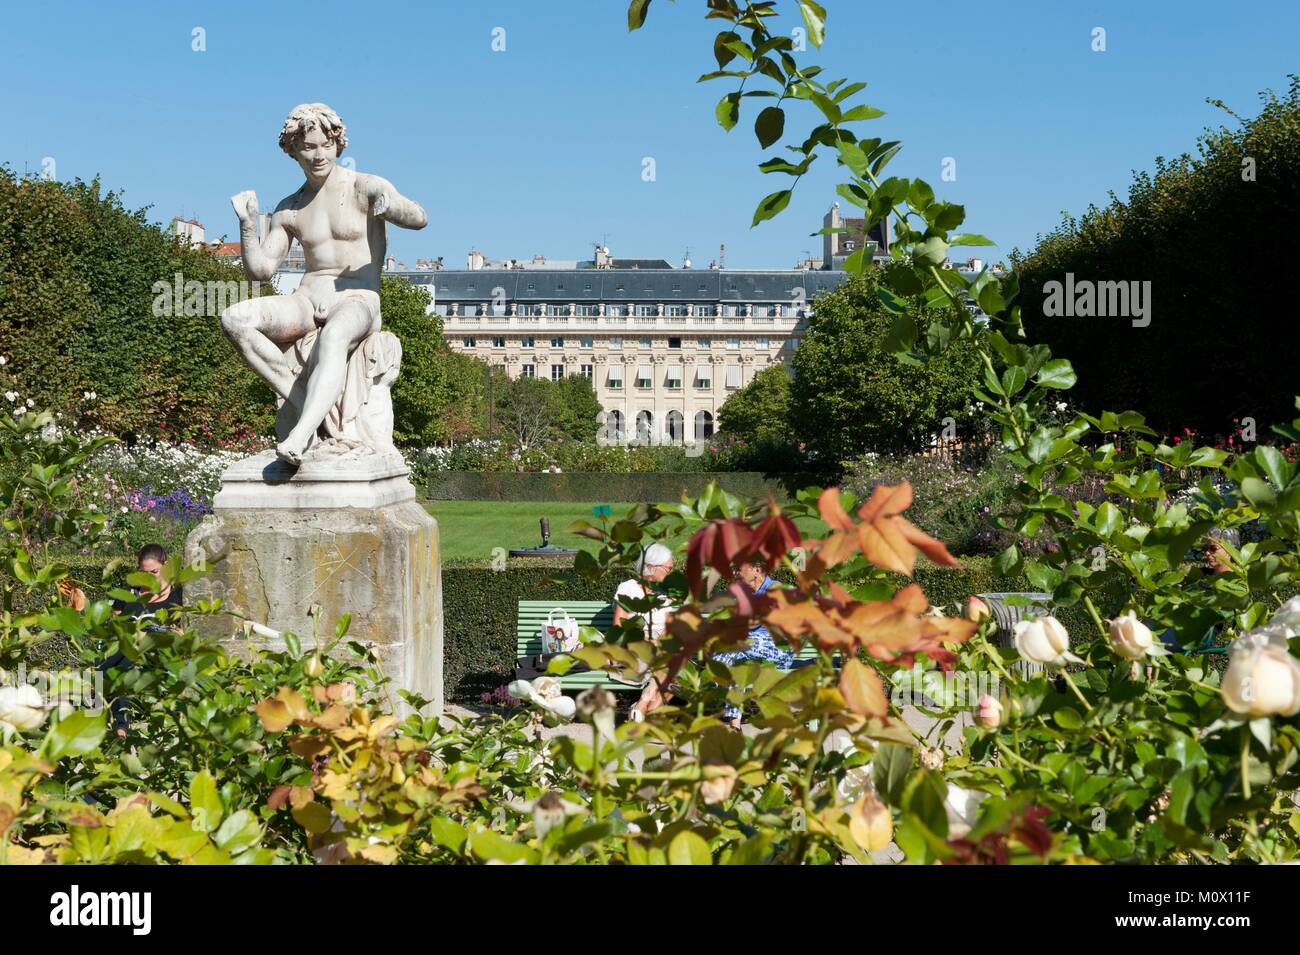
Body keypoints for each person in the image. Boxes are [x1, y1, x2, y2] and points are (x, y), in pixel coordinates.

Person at [59, 544, 184, 738]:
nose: (149, 577)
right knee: (119, 660)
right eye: (144, 573)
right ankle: (120, 725)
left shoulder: (178, 594)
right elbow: (117, 623)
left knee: (111, 665)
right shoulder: (130, 593)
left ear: (166, 565)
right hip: (128, 646)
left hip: (158, 650)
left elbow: (184, 630)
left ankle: (107, 716)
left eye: (154, 572)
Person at [712, 561, 807, 729]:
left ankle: (734, 715)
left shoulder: (775, 589)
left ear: (756, 570)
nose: (734, 573)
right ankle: (735, 725)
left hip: (778, 649)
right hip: (751, 648)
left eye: (737, 569)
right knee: (723, 660)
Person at [613, 543, 675, 722]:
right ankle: (648, 715)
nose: (670, 573)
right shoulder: (628, 589)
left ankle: (642, 708)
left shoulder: (665, 594)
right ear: (652, 567)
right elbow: (618, 626)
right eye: (668, 568)